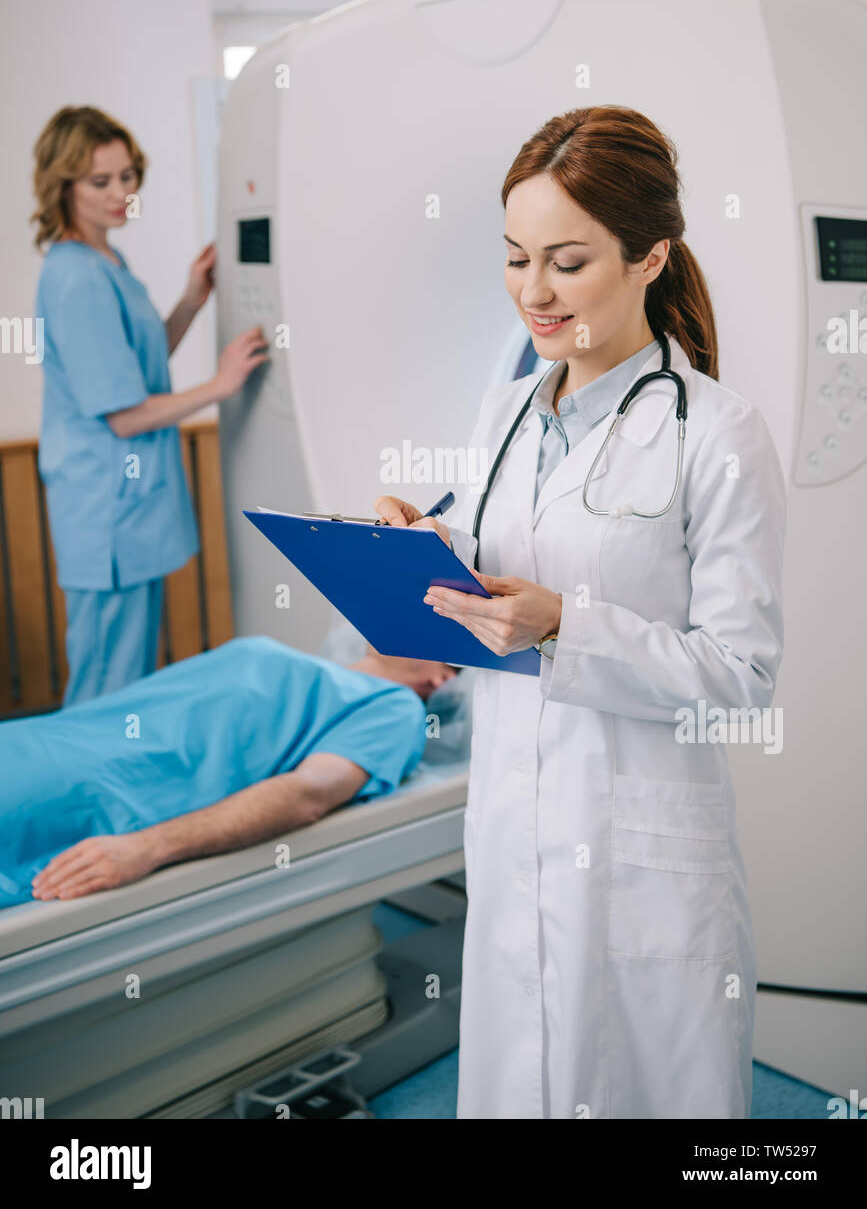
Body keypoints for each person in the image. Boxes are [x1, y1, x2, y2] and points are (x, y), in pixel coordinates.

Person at [375, 105, 787, 1120]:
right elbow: (494, 562)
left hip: (643, 847)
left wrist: (569, 624)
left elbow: (743, 675)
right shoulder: (507, 408)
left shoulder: (718, 435)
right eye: (516, 258)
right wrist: (418, 550)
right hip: (516, 833)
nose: (533, 292)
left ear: (651, 257)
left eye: (566, 260)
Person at [30, 105, 269, 706]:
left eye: (127, 175)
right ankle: (87, 798)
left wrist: (190, 300)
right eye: (100, 181)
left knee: (125, 679)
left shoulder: (108, 261)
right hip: (105, 510)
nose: (121, 193)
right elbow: (123, 414)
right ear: (63, 185)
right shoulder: (75, 276)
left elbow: (132, 370)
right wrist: (219, 386)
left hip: (127, 508)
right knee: (107, 687)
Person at [0, 635, 466, 909]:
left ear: (440, 679)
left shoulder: (392, 707)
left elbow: (307, 795)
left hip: (80, 792)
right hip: (39, 741)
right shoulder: (285, 657)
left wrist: (147, 846)